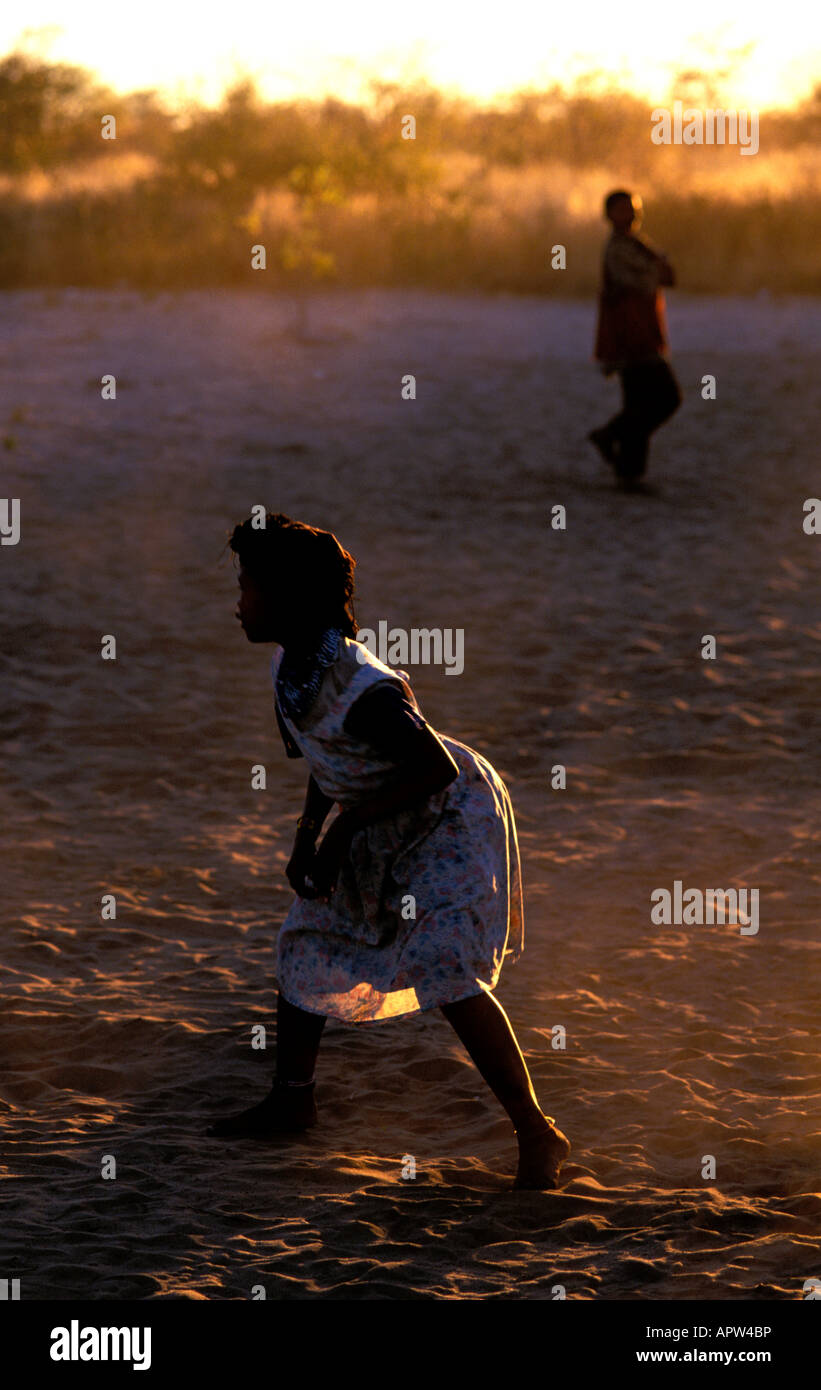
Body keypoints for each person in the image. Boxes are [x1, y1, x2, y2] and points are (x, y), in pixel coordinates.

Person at [207, 512, 571, 1191]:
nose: (239, 603)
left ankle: (536, 1131)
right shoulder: (291, 667)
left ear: (288, 600)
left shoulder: (360, 687)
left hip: (447, 818)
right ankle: (293, 1098)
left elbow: (432, 768)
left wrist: (341, 832)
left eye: (249, 588)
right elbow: (324, 761)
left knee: (446, 969)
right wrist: (306, 834)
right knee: (306, 937)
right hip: (376, 814)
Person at [589, 189, 682, 486]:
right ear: (609, 215)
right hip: (631, 334)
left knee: (639, 402)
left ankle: (629, 471)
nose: (629, 215)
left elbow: (664, 276)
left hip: (642, 330)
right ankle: (610, 437)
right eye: (621, 210)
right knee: (666, 397)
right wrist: (658, 268)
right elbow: (644, 280)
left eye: (632, 209)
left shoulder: (636, 244)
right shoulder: (619, 248)